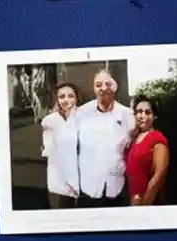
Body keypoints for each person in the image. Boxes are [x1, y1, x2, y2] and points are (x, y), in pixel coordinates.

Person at [55, 69, 136, 208]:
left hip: (117, 187)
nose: (103, 88)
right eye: (98, 85)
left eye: (108, 84)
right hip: (88, 188)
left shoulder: (127, 114)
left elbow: (132, 148)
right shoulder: (81, 114)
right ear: (94, 88)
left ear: (115, 87)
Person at [40, 82, 81, 209]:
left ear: (77, 98)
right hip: (60, 179)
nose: (66, 100)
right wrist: (68, 183)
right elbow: (52, 153)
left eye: (70, 96)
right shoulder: (50, 122)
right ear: (57, 100)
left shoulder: (84, 118)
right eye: (62, 97)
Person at [125, 96, 170, 206]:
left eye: (148, 112)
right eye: (139, 112)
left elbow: (158, 177)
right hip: (133, 201)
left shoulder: (157, 138)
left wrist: (144, 206)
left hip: (149, 203)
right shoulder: (134, 139)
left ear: (154, 116)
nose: (142, 116)